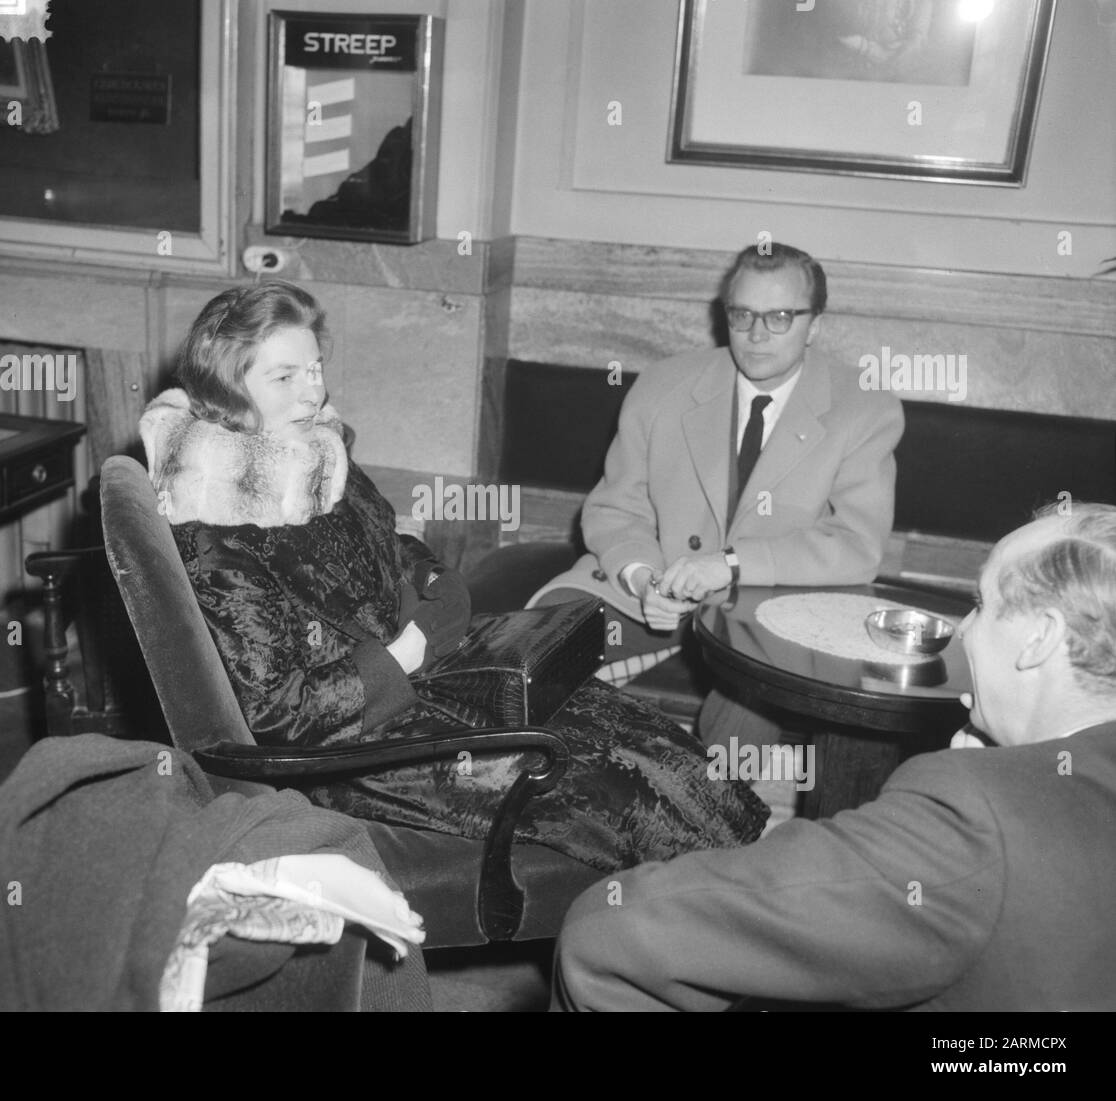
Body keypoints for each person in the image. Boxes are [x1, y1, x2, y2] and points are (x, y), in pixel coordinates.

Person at [139, 280, 767, 876]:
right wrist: (404, 654)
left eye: (315, 369)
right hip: (356, 749)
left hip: (425, 685)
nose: (312, 392)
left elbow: (387, 540)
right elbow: (279, 714)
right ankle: (696, 927)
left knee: (652, 740)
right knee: (619, 788)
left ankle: (742, 899)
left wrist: (436, 580)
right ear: (227, 391)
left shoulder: (310, 453)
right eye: (284, 377)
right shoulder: (216, 531)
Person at [552, 502, 1116, 1011]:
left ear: (1041, 638)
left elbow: (612, 932)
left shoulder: (975, 814)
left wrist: (984, 779)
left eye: (982, 605)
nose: (963, 631)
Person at [529, 242, 905, 761]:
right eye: (743, 314)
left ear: (814, 325)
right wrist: (644, 578)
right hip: (648, 589)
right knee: (536, 650)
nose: (756, 334)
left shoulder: (864, 409)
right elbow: (616, 509)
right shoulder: (664, 386)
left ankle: (704, 822)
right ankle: (566, 800)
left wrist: (728, 566)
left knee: (748, 710)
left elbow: (856, 546)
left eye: (779, 317)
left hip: (764, 615)